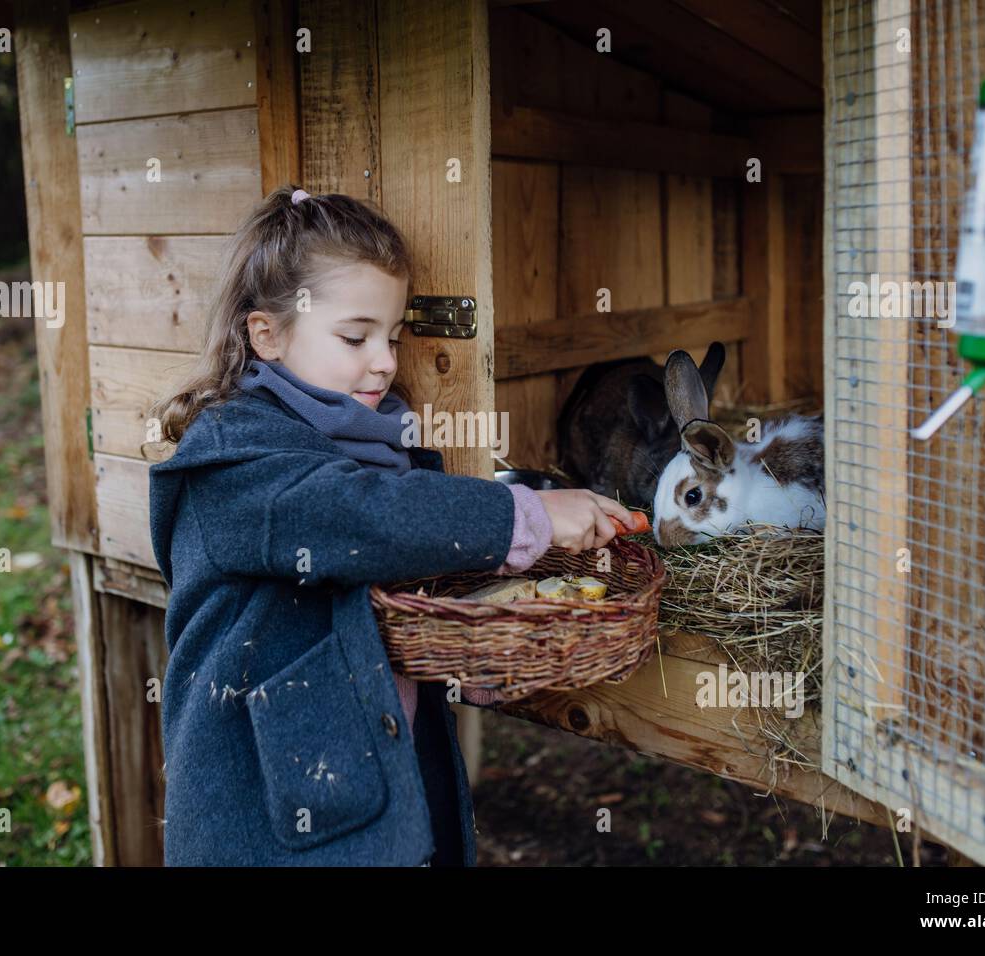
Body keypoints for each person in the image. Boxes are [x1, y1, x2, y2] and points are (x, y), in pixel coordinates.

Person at [146, 185, 633, 866]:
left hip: (368, 784)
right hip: (266, 816)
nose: (385, 361)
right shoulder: (235, 461)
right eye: (355, 337)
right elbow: (360, 512)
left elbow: (399, 582)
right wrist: (528, 515)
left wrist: (477, 647)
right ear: (267, 334)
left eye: (393, 337)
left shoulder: (368, 444)